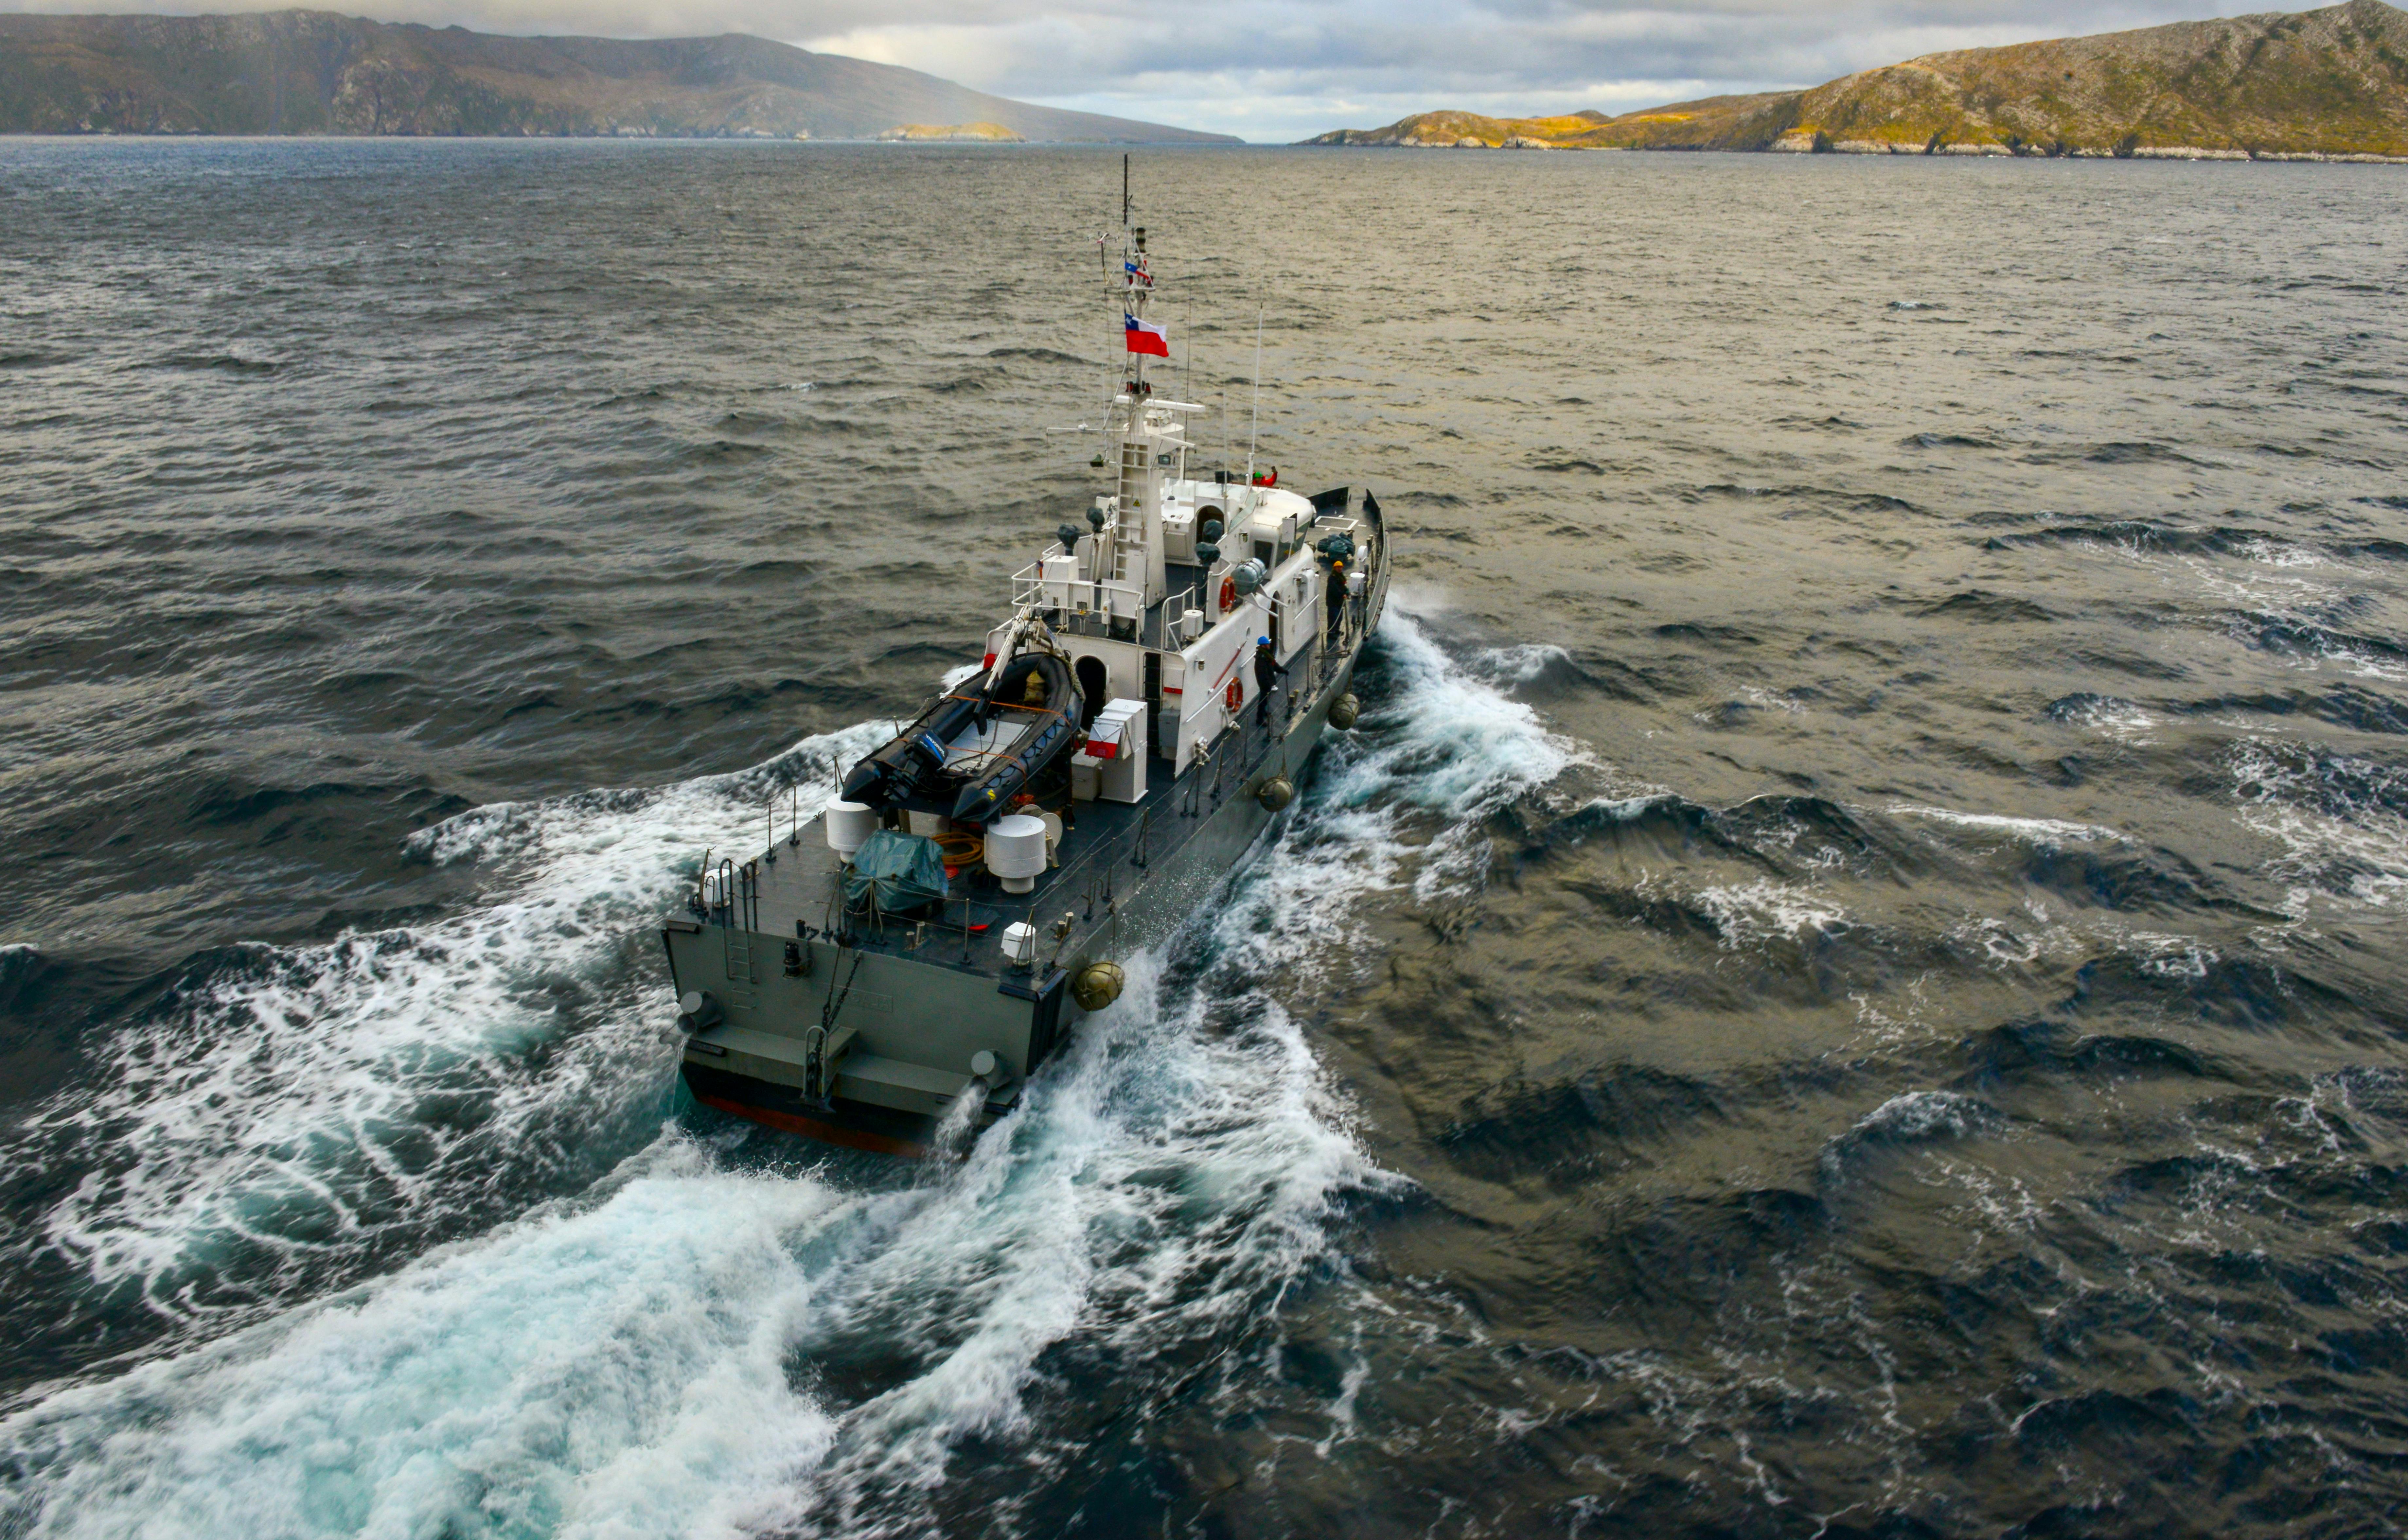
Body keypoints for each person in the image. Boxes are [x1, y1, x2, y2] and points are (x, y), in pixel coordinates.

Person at [1252, 636, 1285, 726]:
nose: (1269, 645)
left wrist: (1282, 671)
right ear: (1264, 646)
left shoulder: (1267, 655)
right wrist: (1267, 684)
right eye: (1268, 644)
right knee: (1263, 701)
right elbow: (1262, 673)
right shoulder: (1262, 658)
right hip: (1265, 683)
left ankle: (1264, 712)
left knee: (1266, 699)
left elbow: (1274, 665)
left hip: (1267, 683)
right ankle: (1259, 719)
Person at [1325, 559, 1347, 640]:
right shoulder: (1332, 578)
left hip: (1339, 602)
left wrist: (1346, 591)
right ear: (1335, 568)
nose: (1339, 569)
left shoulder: (1341, 577)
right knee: (1333, 617)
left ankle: (1337, 630)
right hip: (1333, 602)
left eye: (1341, 567)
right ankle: (1331, 633)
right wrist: (1343, 594)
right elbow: (1335, 589)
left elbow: (1343, 586)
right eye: (1338, 567)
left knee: (1340, 617)